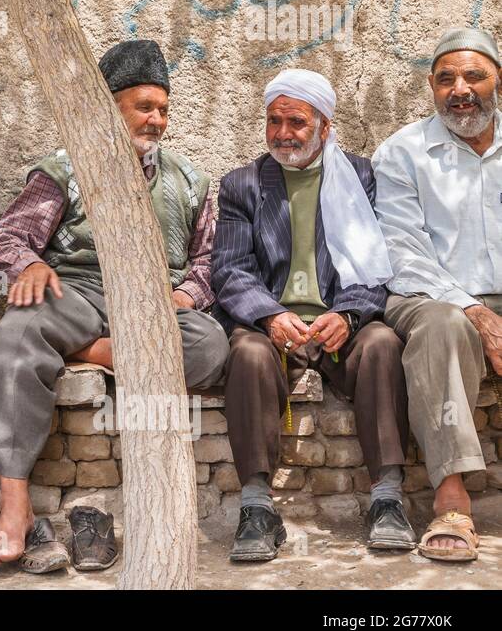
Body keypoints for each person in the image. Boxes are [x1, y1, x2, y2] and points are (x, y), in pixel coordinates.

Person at [0, 39, 228, 568]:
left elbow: (208, 262)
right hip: (78, 292)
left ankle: (92, 350)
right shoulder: (63, 171)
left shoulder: (189, 180)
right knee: (10, 343)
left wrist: (183, 296)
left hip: (156, 303)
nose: (157, 120)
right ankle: (14, 503)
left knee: (209, 344)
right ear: (109, 106)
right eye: (144, 107)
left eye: (163, 109)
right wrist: (31, 266)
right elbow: (4, 240)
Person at [214, 69, 411, 562]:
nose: (283, 133)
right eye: (274, 121)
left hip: (341, 325)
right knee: (247, 353)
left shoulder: (361, 177)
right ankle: (257, 508)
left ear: (324, 126)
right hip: (273, 325)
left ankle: (387, 498)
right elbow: (231, 269)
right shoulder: (243, 185)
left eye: (297, 122)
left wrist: (347, 316)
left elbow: (379, 264)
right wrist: (269, 316)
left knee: (384, 343)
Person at [372, 27, 502, 562]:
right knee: (446, 324)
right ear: (431, 86)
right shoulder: (404, 153)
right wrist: (476, 311)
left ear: (498, 79)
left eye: (474, 75)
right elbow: (404, 254)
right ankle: (452, 497)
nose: (461, 89)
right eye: (446, 78)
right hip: (427, 293)